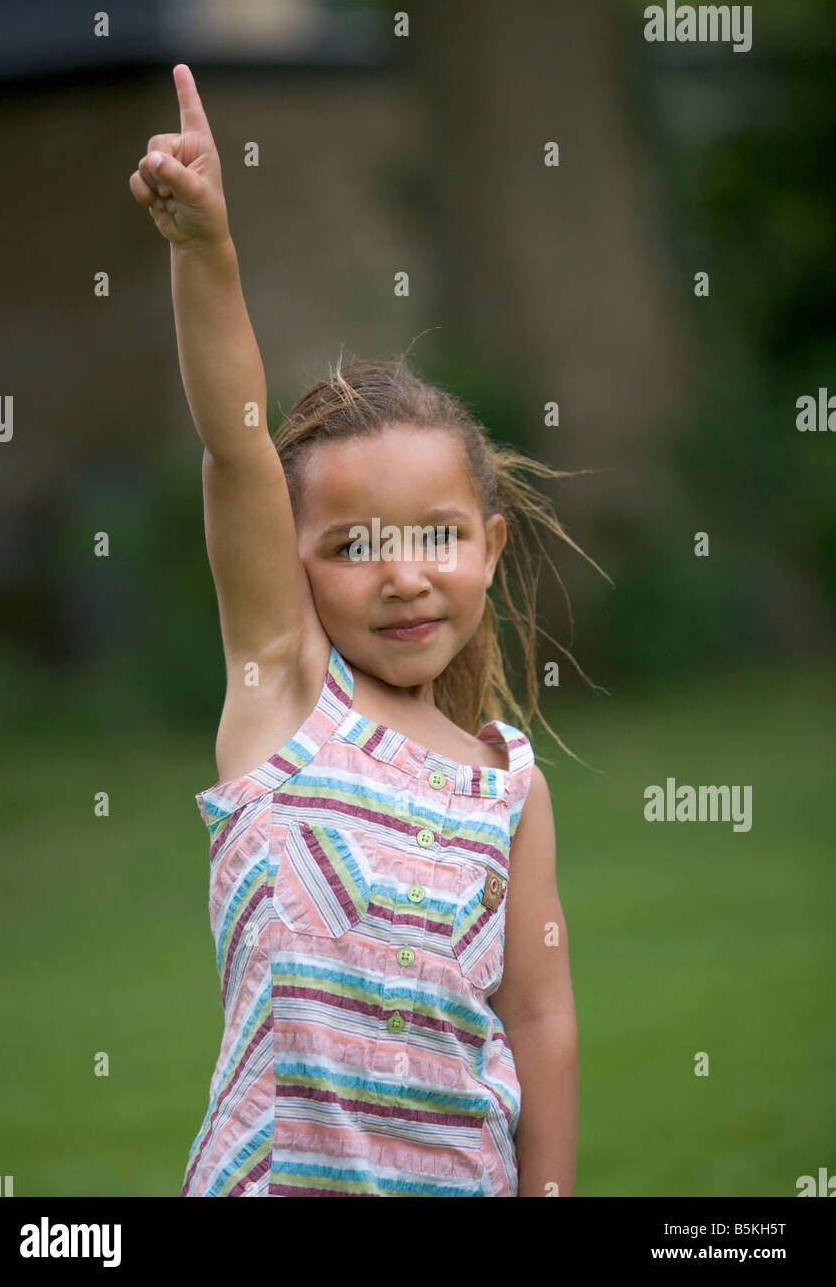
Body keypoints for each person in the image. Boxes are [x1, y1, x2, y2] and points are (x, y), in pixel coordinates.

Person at [129, 64, 591, 1198]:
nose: (401, 579)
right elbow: (239, 447)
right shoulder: (283, 696)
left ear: (487, 545)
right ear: (291, 566)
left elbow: (536, 1012)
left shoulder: (504, 786)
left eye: (436, 537)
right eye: (350, 546)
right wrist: (205, 253)